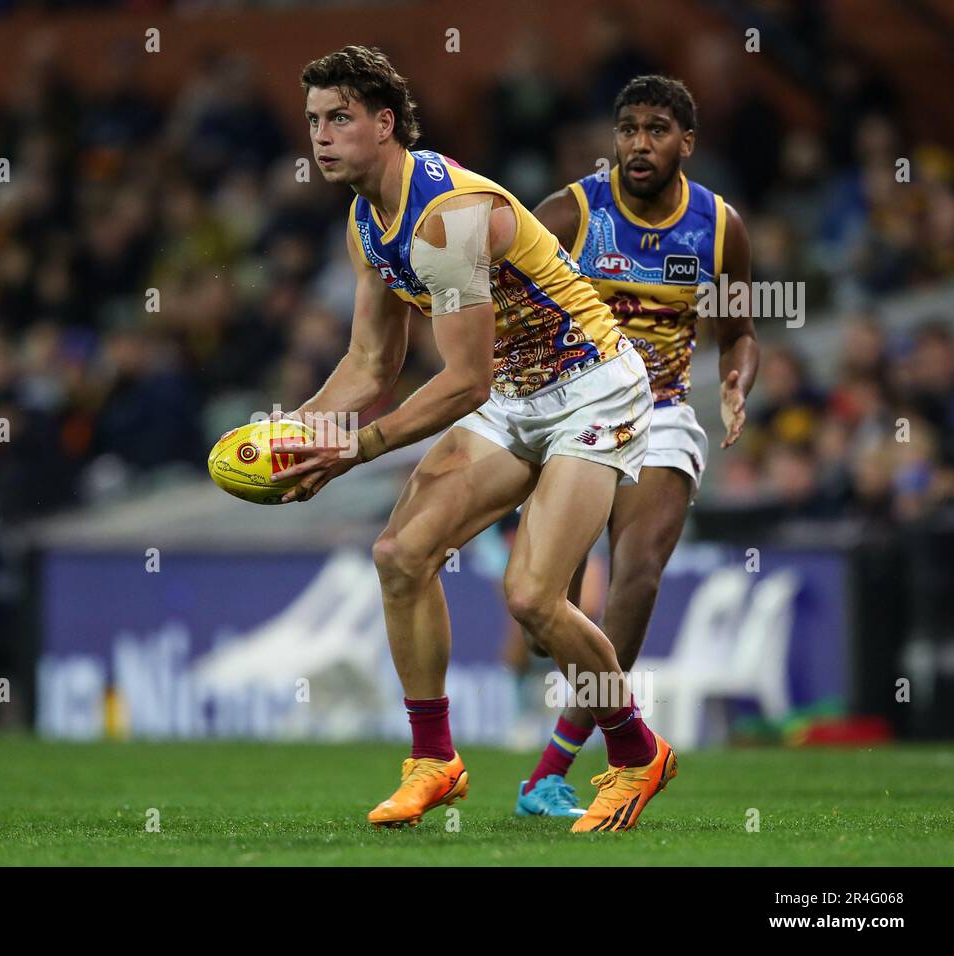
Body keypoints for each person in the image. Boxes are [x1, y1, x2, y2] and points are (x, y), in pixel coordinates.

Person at [273, 46, 675, 832]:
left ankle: (637, 754)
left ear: (384, 123)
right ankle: (435, 762)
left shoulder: (446, 218)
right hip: (520, 392)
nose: (321, 136)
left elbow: (464, 382)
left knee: (531, 597)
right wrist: (293, 435)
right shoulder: (368, 220)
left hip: (594, 386)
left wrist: (355, 448)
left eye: (340, 118)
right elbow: (368, 364)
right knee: (400, 554)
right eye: (314, 121)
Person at [513, 76, 758, 817]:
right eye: (627, 129)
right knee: (539, 614)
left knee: (639, 576)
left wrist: (737, 380)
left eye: (657, 130)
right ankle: (585, 734)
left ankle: (552, 771)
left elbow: (739, 328)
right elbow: (501, 287)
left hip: (663, 413)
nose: (639, 144)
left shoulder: (719, 227)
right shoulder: (572, 211)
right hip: (576, 413)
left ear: (687, 142)